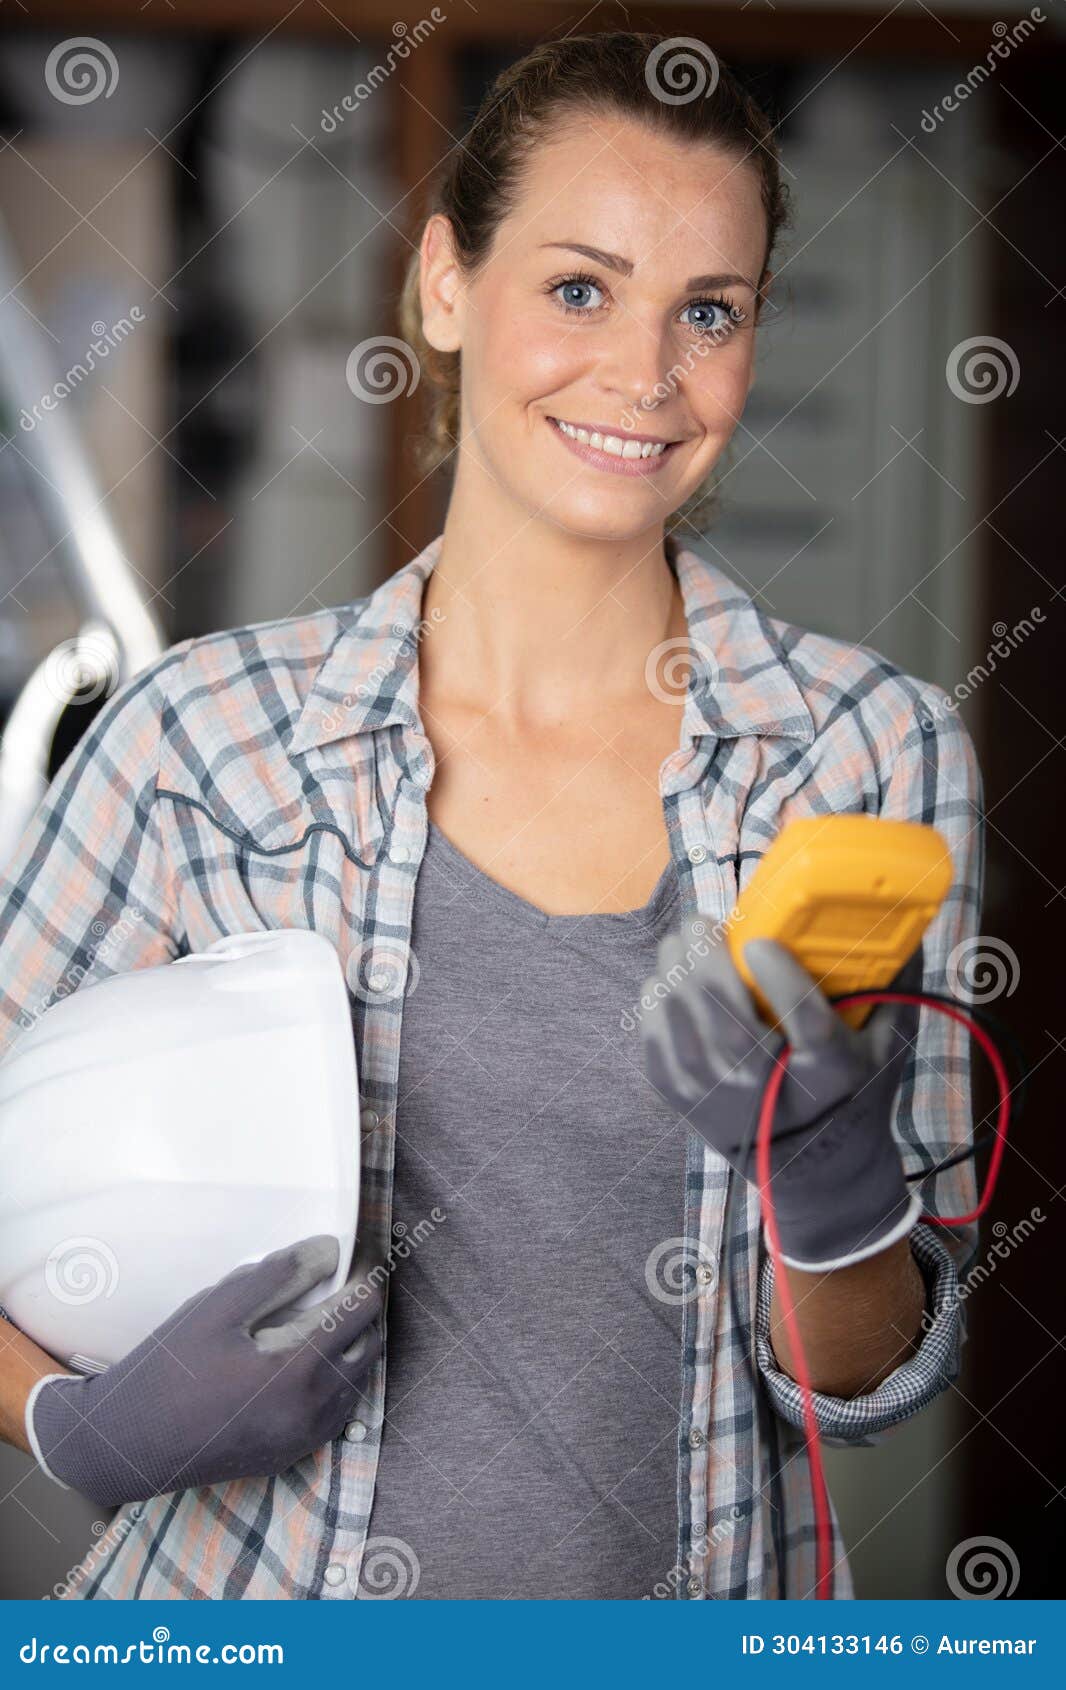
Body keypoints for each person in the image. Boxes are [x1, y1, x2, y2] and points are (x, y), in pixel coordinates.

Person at [0, 30, 982, 1600]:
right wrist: (71, 1423)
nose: (644, 375)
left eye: (707, 310)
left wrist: (832, 1187)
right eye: (580, 288)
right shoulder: (200, 740)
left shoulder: (867, 753)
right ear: (446, 285)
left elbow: (859, 1382)